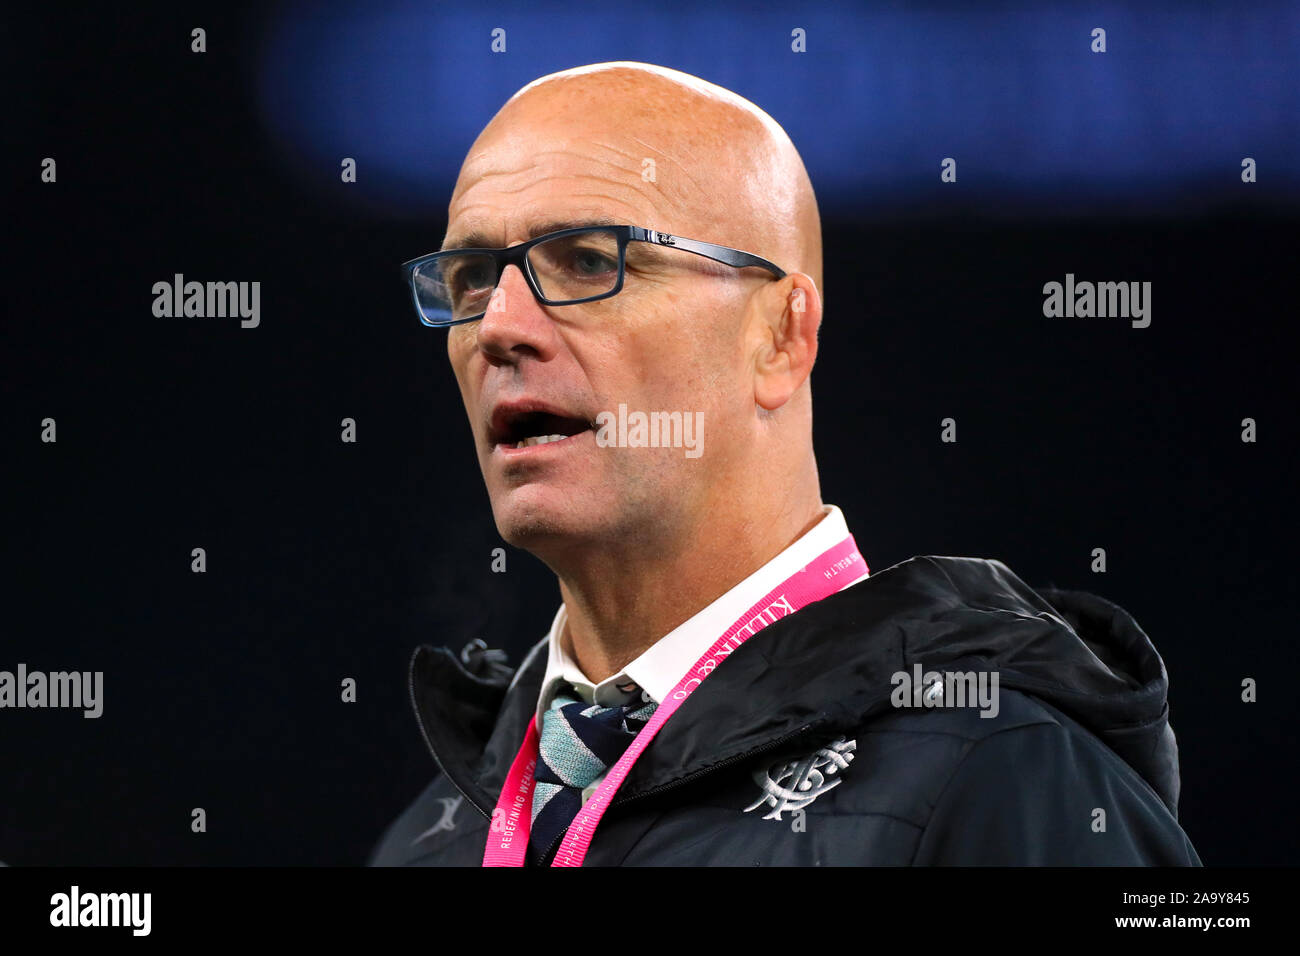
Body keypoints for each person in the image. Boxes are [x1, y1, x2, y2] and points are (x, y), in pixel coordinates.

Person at [369, 61, 1201, 866]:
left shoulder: (999, 777)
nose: (499, 327)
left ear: (781, 337)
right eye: (472, 278)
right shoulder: (434, 841)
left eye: (589, 260)